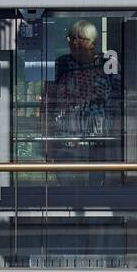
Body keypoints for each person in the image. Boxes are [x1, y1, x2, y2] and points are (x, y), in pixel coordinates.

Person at [42, 20, 122, 164]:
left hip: (99, 142)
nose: (74, 43)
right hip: (65, 142)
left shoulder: (107, 63)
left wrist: (119, 139)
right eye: (71, 38)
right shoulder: (61, 64)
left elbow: (119, 102)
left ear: (92, 42)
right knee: (66, 182)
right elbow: (47, 104)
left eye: (80, 39)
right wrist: (47, 142)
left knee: (98, 183)